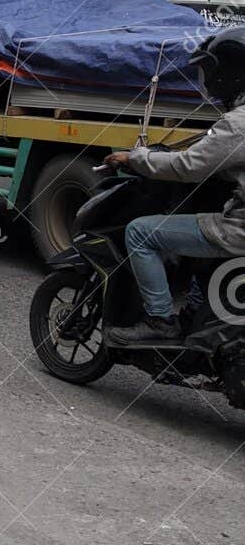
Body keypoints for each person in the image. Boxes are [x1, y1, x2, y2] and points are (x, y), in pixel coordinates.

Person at [104, 28, 245, 345]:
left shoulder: (238, 123)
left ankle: (160, 321)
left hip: (240, 231)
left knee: (139, 232)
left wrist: (137, 158)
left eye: (212, 72)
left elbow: (188, 166)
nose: (209, 80)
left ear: (232, 74)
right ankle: (196, 310)